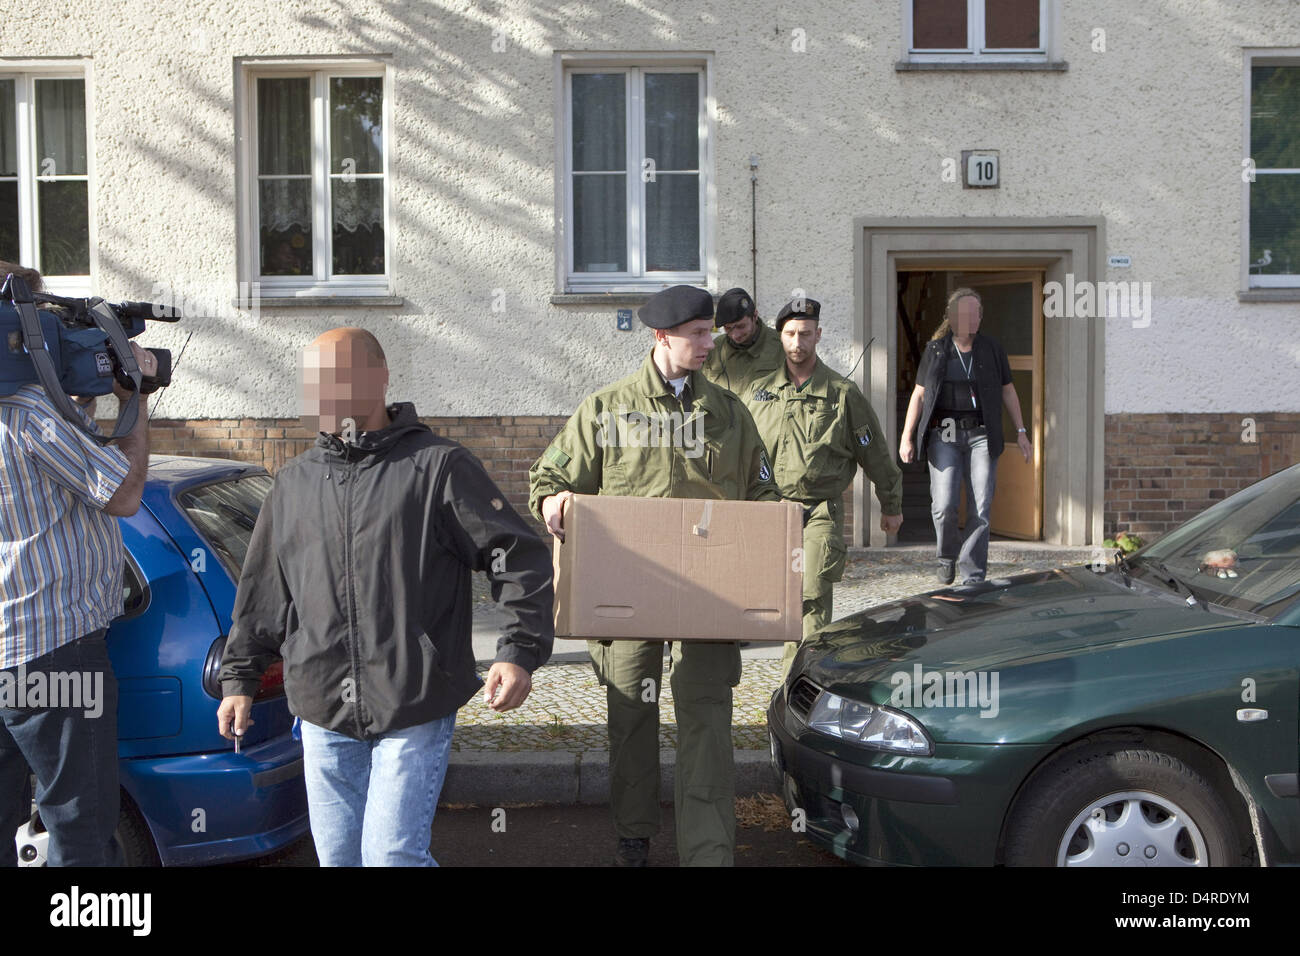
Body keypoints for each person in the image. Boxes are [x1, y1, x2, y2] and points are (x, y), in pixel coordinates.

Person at [217, 327, 553, 867]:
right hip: (322, 706)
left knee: (391, 857)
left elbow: (517, 556)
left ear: (379, 379)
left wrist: (518, 651)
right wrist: (241, 679)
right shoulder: (294, 483)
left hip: (413, 698)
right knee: (341, 859)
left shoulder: (439, 466)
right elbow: (263, 591)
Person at [529, 285, 779, 867]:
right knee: (631, 715)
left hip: (709, 598)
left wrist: (773, 530)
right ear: (660, 337)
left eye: (710, 331)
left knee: (707, 723)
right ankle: (634, 835)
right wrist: (555, 502)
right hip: (628, 594)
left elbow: (764, 490)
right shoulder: (607, 410)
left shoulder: (728, 413)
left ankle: (708, 853)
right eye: (696, 333)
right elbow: (549, 477)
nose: (708, 343)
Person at [0, 261, 153, 867]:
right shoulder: (32, 415)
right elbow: (125, 494)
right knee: (80, 826)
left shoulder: (42, 412)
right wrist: (136, 403)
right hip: (54, 651)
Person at [746, 296, 903, 671]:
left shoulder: (843, 396)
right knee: (775, 600)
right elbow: (742, 453)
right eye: (789, 334)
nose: (797, 342)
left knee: (811, 597)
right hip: (772, 512)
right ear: (779, 337)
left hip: (819, 512)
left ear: (819, 335)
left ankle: (797, 682)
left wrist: (892, 505)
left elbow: (875, 453)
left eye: (805, 334)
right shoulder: (760, 394)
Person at [898, 287, 1032, 585]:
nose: (970, 319)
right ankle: (946, 556)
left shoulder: (991, 348)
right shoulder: (936, 350)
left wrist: (1021, 431)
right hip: (944, 434)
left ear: (980, 317)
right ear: (951, 317)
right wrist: (907, 436)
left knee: (981, 506)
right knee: (944, 504)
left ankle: (973, 574)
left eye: (975, 314)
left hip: (981, 435)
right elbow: (919, 395)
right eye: (963, 314)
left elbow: (1008, 390)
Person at [700, 287, 784, 399]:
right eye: (728, 328)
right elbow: (700, 394)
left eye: (741, 326)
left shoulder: (782, 345)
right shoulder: (715, 349)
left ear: (754, 316)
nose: (735, 335)